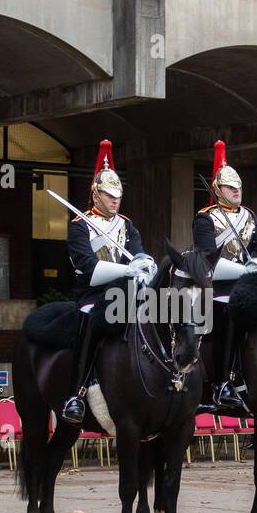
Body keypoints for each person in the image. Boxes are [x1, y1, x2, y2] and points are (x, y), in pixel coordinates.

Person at [62, 139, 154, 424]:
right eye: (109, 194)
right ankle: (76, 393)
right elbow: (87, 268)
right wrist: (127, 270)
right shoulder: (80, 226)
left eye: (118, 195)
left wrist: (145, 265)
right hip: (93, 294)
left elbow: (139, 253)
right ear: (96, 194)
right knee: (91, 320)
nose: (115, 200)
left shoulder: (126, 225)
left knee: (165, 314)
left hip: (128, 294)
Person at [192, 140, 257, 411]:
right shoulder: (205, 218)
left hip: (247, 286)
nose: (237, 191)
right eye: (230, 187)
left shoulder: (249, 216)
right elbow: (208, 260)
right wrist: (245, 268)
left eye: (239, 187)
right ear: (217, 189)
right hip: (216, 287)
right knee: (229, 310)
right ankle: (222, 383)